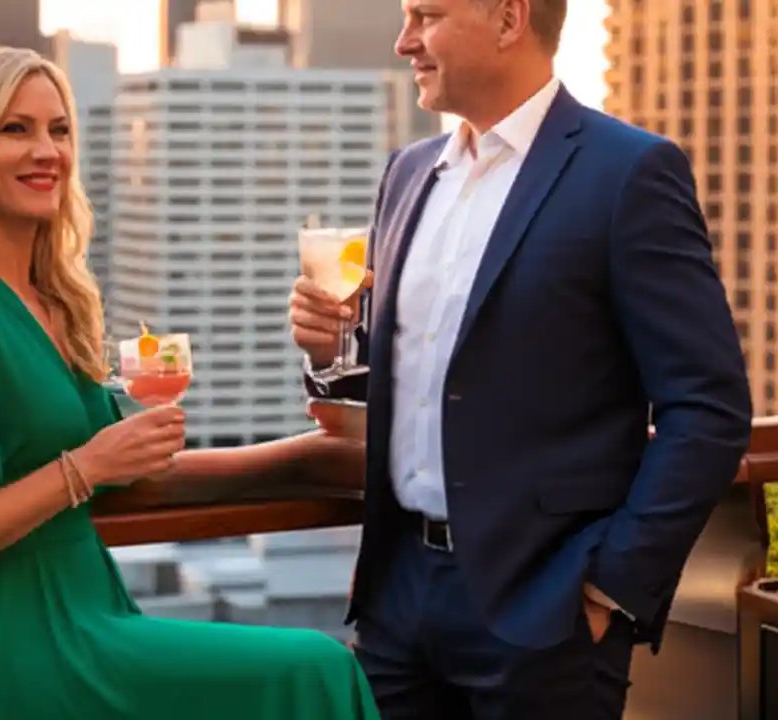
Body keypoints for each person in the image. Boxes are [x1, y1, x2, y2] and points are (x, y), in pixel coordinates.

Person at [0, 46, 381, 719]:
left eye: (59, 130)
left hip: (91, 611)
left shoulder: (47, 298)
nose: (46, 149)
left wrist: (302, 457)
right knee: (313, 673)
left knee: (313, 670)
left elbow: (123, 470)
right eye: (14, 129)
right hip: (11, 644)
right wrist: (82, 468)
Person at [288, 1, 753, 718]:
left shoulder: (628, 174)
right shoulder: (407, 175)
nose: (403, 39)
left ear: (509, 19)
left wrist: (611, 587)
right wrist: (328, 352)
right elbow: (409, 384)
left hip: (549, 614)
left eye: (426, 15)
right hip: (397, 597)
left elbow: (710, 409)